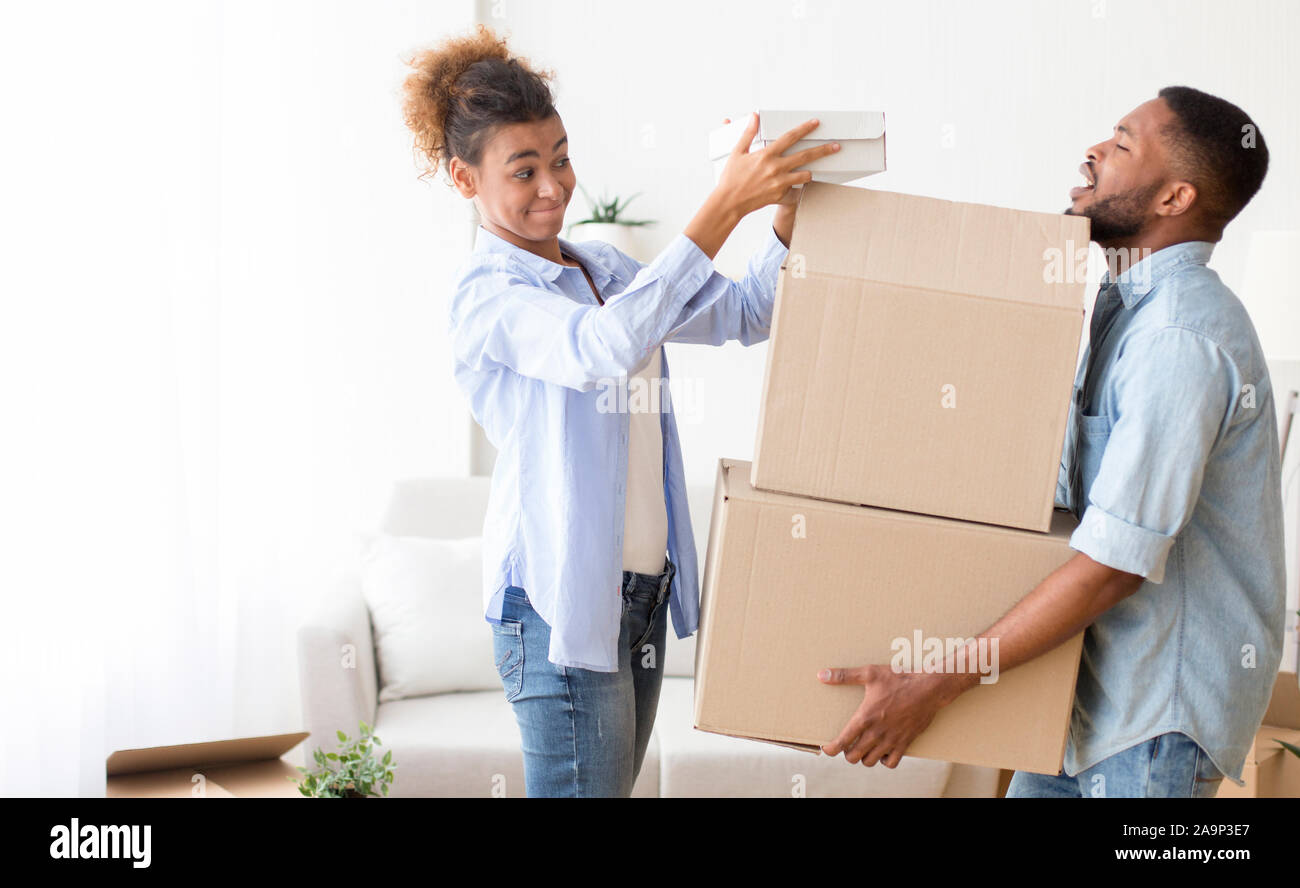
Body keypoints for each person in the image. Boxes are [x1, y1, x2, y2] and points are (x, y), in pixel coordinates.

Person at [400, 24, 839, 797]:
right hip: (561, 606)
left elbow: (745, 313)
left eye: (561, 158)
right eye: (524, 170)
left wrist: (781, 212)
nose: (554, 186)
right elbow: (598, 348)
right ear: (465, 180)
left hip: (639, 595)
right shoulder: (488, 298)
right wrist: (719, 208)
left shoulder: (601, 266)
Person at [817, 85, 1284, 799]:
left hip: (1149, 729)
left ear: (1174, 199)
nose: (1093, 152)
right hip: (1081, 706)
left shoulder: (1178, 338)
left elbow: (1113, 564)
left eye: (1123, 144)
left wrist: (933, 684)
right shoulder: (1125, 310)